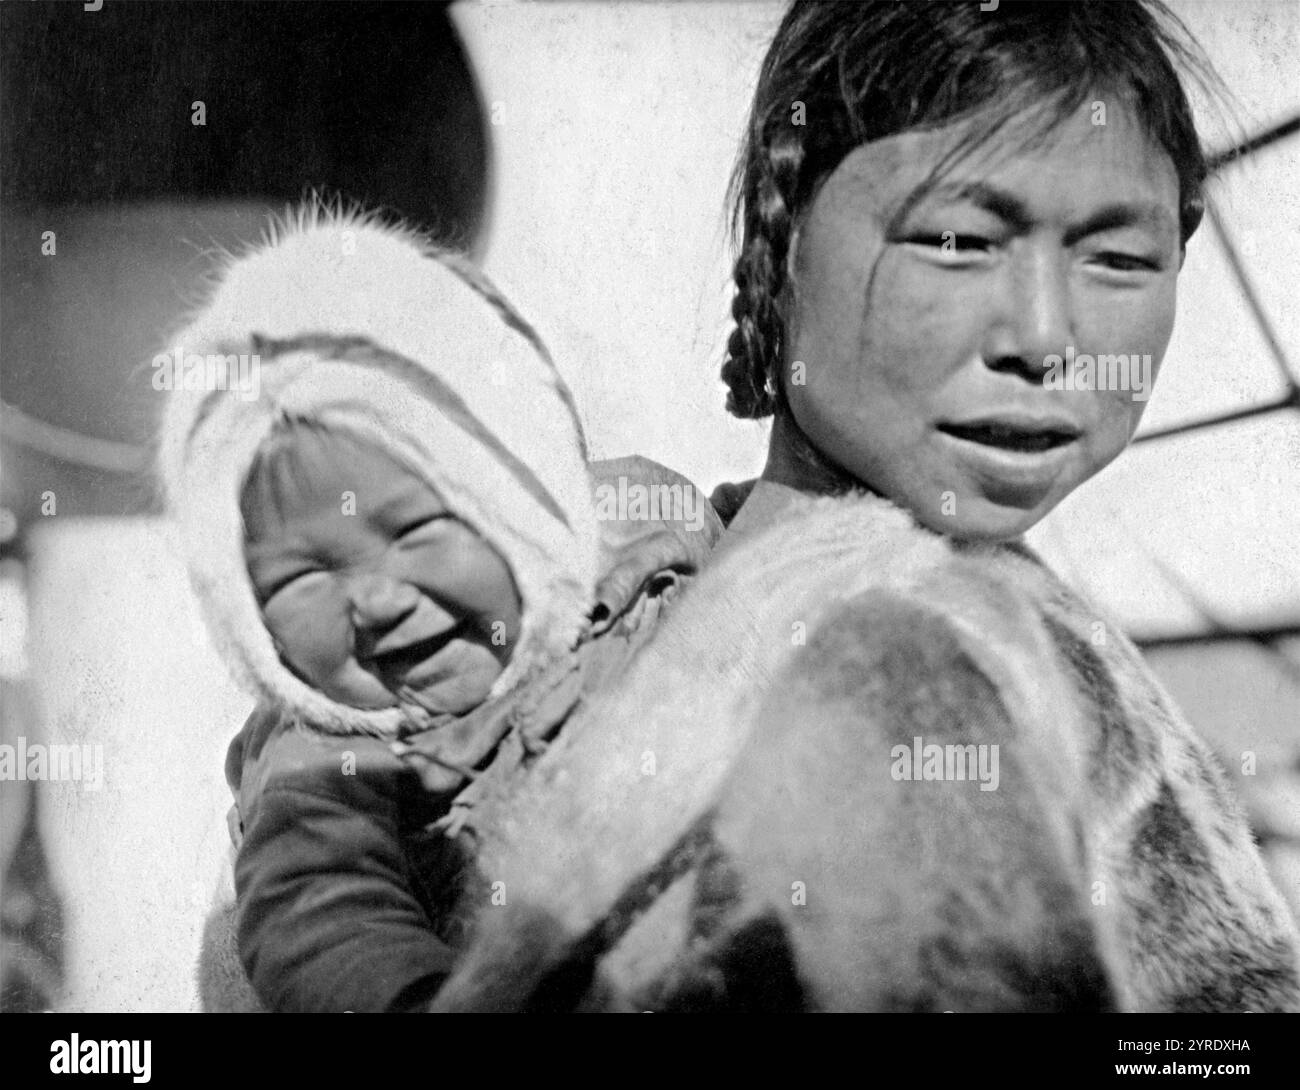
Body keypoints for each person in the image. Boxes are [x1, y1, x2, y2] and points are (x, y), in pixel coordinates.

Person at [429, 0, 1300, 1011]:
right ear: (781, 230)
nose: (1045, 334)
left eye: (1117, 257)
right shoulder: (574, 573)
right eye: (960, 239)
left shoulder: (1010, 660)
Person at [158, 208, 721, 1012]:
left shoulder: (646, 525)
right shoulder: (322, 751)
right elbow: (323, 910)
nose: (377, 600)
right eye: (304, 574)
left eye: (417, 529)